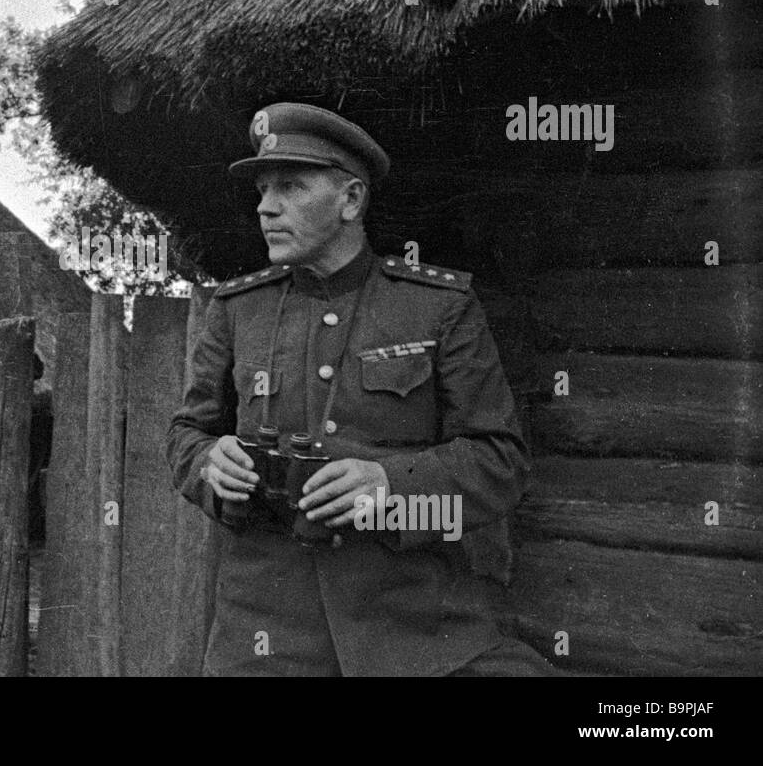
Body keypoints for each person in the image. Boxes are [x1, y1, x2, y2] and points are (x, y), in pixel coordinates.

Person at [165, 102, 552, 676]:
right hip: (267, 636)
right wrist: (207, 464)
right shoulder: (238, 309)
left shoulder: (437, 307)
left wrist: (391, 484)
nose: (267, 207)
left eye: (291, 187)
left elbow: (502, 460)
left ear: (350, 200)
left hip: (417, 626)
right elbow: (188, 432)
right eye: (263, 190)